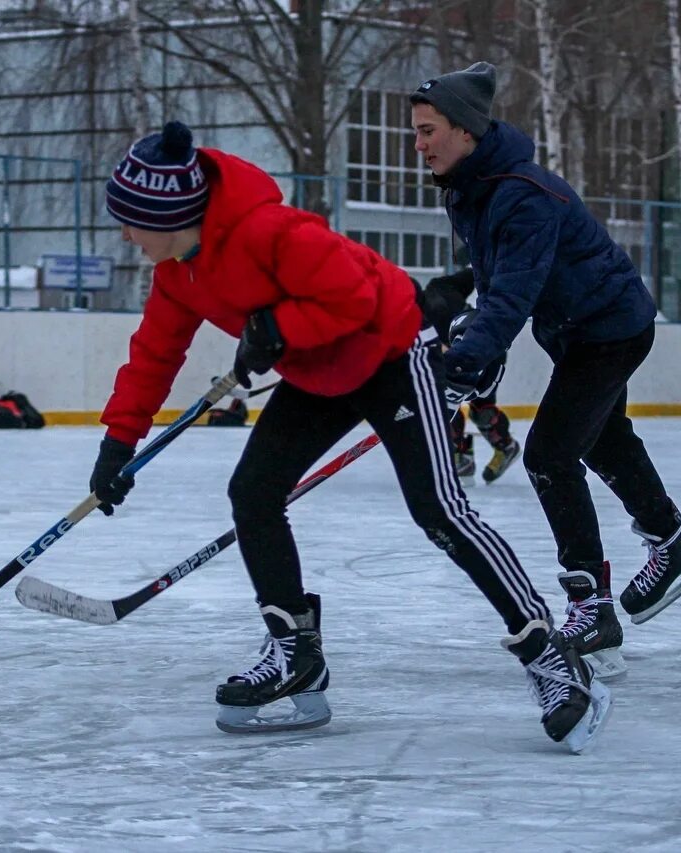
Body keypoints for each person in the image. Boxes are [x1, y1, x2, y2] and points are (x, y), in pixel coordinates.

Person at [88, 121, 609, 751]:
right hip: (316, 372)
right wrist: (120, 444)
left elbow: (357, 300)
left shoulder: (271, 232)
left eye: (132, 220)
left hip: (390, 352)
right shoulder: (177, 271)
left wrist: (276, 325)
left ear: (172, 215)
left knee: (439, 511)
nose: (124, 233)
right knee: (254, 492)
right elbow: (154, 353)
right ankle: (295, 652)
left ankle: (547, 652)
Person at [410, 63, 681, 677]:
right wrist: (453, 322)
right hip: (577, 328)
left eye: (428, 131)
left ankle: (590, 607)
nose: (418, 144)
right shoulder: (472, 191)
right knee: (603, 438)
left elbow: (512, 294)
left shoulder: (519, 194)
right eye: (416, 131)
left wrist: (470, 360)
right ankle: (672, 538)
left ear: (466, 131)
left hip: (608, 328)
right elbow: (495, 281)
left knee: (550, 455)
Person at [422, 268, 521, 483]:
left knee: (480, 407)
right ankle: (460, 454)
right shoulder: (413, 330)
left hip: (486, 350)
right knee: (445, 402)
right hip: (468, 352)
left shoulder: (439, 288)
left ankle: (505, 446)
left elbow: (479, 271)